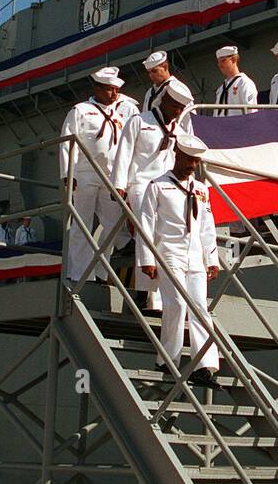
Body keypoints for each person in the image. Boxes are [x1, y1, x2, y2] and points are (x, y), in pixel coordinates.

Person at [137, 134, 223, 389]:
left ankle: (205, 365)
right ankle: (167, 359)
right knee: (175, 305)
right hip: (169, 253)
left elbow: (207, 225)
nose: (192, 166)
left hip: (195, 255)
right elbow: (146, 224)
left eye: (196, 162)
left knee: (199, 308)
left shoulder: (200, 189)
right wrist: (146, 259)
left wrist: (212, 258)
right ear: (177, 155)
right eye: (188, 160)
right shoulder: (157, 186)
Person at [113, 77, 194, 310]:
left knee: (163, 237)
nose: (177, 111)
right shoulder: (139, 121)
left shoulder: (177, 130)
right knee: (146, 236)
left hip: (165, 186)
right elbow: (124, 154)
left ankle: (156, 297)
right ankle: (145, 294)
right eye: (174, 106)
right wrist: (119, 186)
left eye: (181, 108)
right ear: (163, 100)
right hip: (140, 184)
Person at [58, 67, 140, 282]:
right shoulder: (81, 110)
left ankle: (102, 271)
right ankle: (77, 274)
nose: (114, 94)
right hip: (85, 173)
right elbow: (68, 141)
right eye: (109, 90)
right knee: (82, 225)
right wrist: (68, 173)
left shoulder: (122, 112)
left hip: (111, 176)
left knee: (114, 224)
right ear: (97, 88)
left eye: (115, 90)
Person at [214, 45, 257, 115]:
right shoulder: (220, 89)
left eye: (223, 61)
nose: (220, 65)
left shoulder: (244, 83)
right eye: (218, 62)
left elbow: (251, 111)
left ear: (233, 59)